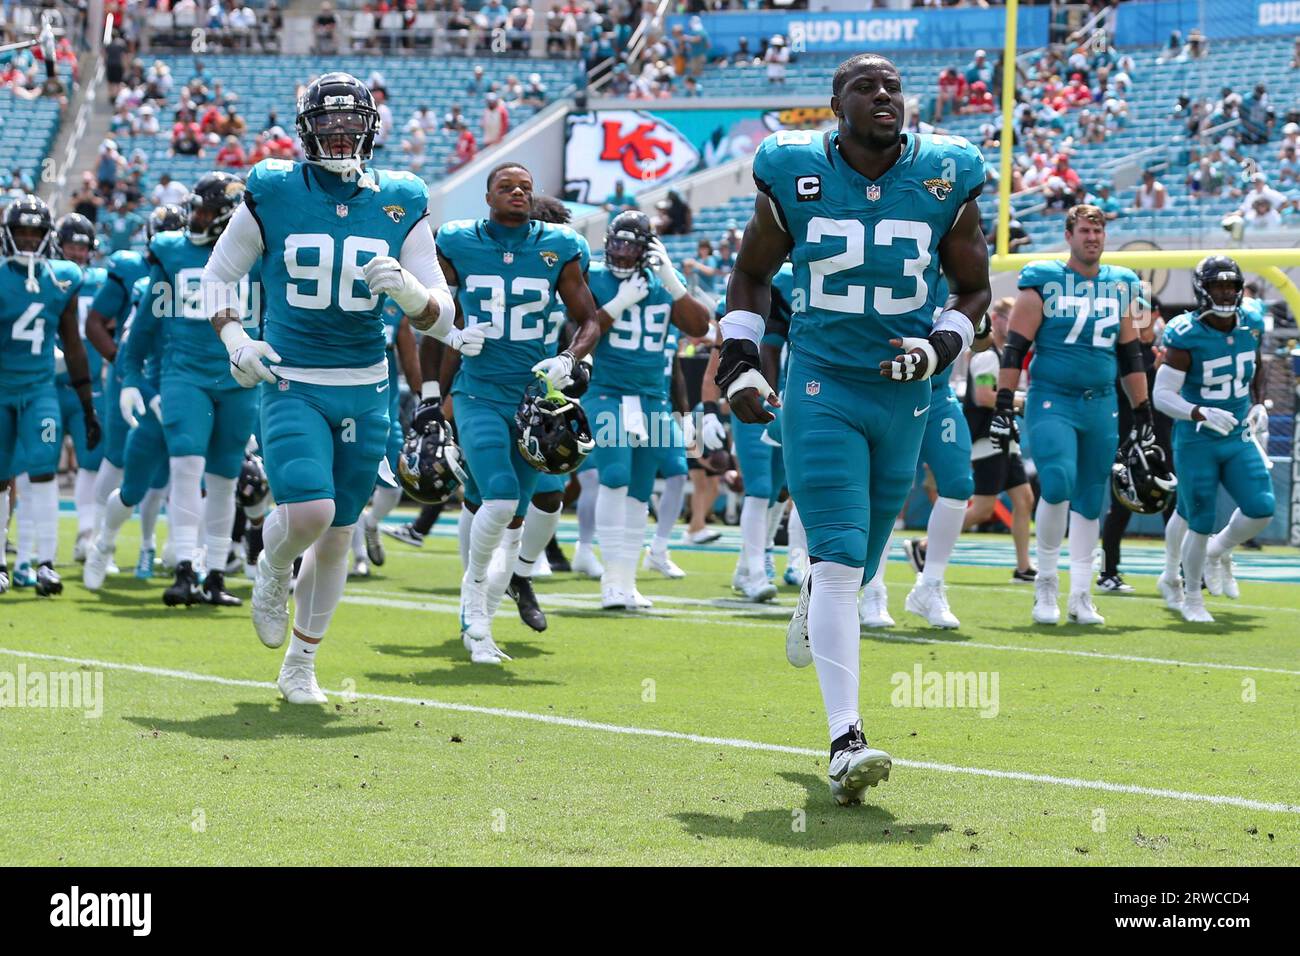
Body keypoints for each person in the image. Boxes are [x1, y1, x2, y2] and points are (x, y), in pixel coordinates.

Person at [722, 55, 990, 805]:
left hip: (906, 390)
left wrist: (938, 347)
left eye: (894, 87)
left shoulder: (946, 172)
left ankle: (820, 594)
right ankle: (846, 738)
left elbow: (973, 291)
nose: (884, 97)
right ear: (834, 104)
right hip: (821, 381)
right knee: (841, 558)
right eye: (866, 87)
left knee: (864, 562)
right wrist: (742, 360)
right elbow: (751, 276)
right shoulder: (793, 170)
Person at [199, 73, 466, 703]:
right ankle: (269, 568)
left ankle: (301, 664)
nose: (341, 134)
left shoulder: (401, 197)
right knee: (310, 513)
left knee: (341, 529)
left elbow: (444, 317)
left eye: (352, 123)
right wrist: (237, 340)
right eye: (329, 123)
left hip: (367, 385)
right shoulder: (274, 188)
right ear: (306, 129)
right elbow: (217, 278)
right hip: (293, 378)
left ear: (371, 128)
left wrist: (406, 290)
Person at [432, 162, 601, 663]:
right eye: (506, 187)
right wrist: (451, 337)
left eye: (526, 187)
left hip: (535, 399)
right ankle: (474, 611)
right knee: (500, 502)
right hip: (478, 391)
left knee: (514, 518)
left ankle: (482, 621)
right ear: (487, 196)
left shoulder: (559, 246)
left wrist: (570, 359)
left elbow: (588, 319)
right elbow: (429, 310)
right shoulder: (458, 241)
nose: (517, 193)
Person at [992, 205, 1152, 626]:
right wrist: (1005, 402)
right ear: (1068, 235)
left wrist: (1142, 409)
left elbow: (1131, 352)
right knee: (1058, 482)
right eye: (1084, 231)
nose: (1092, 238)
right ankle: (1046, 581)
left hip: (1101, 403)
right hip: (1052, 399)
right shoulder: (1041, 280)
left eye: (1098, 232)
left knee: (1088, 496)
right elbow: (1014, 348)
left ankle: (1081, 593)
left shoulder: (1122, 284)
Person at [586, 211, 709, 610]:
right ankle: (610, 580)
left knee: (640, 490)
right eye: (616, 242)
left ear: (648, 248)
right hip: (606, 391)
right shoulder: (595, 277)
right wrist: (621, 302)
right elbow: (581, 327)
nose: (620, 251)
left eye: (630, 244)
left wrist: (672, 278)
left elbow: (699, 323)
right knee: (616, 476)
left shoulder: (661, 283)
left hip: (652, 397)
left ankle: (627, 579)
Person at [1154, 257, 1273, 623]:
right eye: (1218, 286)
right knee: (1197, 517)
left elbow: (1256, 365)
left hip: (1237, 433)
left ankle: (1218, 552)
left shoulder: (1251, 321)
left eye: (1231, 286)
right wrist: (1198, 412)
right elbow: (1162, 395)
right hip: (1198, 438)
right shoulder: (1185, 333)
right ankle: (1190, 595)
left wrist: (1257, 403)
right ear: (1203, 290)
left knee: (1261, 506)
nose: (1226, 293)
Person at [0, 196, 98, 598]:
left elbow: (73, 344)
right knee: (1, 478)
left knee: (43, 471)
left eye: (34, 233)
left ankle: (45, 563)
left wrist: (88, 403)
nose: (27, 240)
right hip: (2, 389)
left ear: (46, 238)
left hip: (40, 389)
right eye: (20, 232)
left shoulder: (62, 277)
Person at [1098, 297, 1170, 592]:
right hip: (1128, 434)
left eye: (1144, 311)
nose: (1138, 317)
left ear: (1155, 315)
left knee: (1173, 502)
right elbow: (1123, 386)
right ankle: (1108, 572)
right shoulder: (1125, 350)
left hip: (1163, 435)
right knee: (1122, 503)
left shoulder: (1169, 349)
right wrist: (1154, 369)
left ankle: (1183, 569)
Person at [963, 297, 1036, 582]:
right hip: (988, 438)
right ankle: (925, 548)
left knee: (1024, 499)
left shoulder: (1002, 354)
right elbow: (982, 397)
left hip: (1004, 437)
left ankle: (1023, 566)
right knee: (982, 509)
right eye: (1011, 317)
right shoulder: (987, 355)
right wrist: (1018, 401)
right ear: (998, 318)